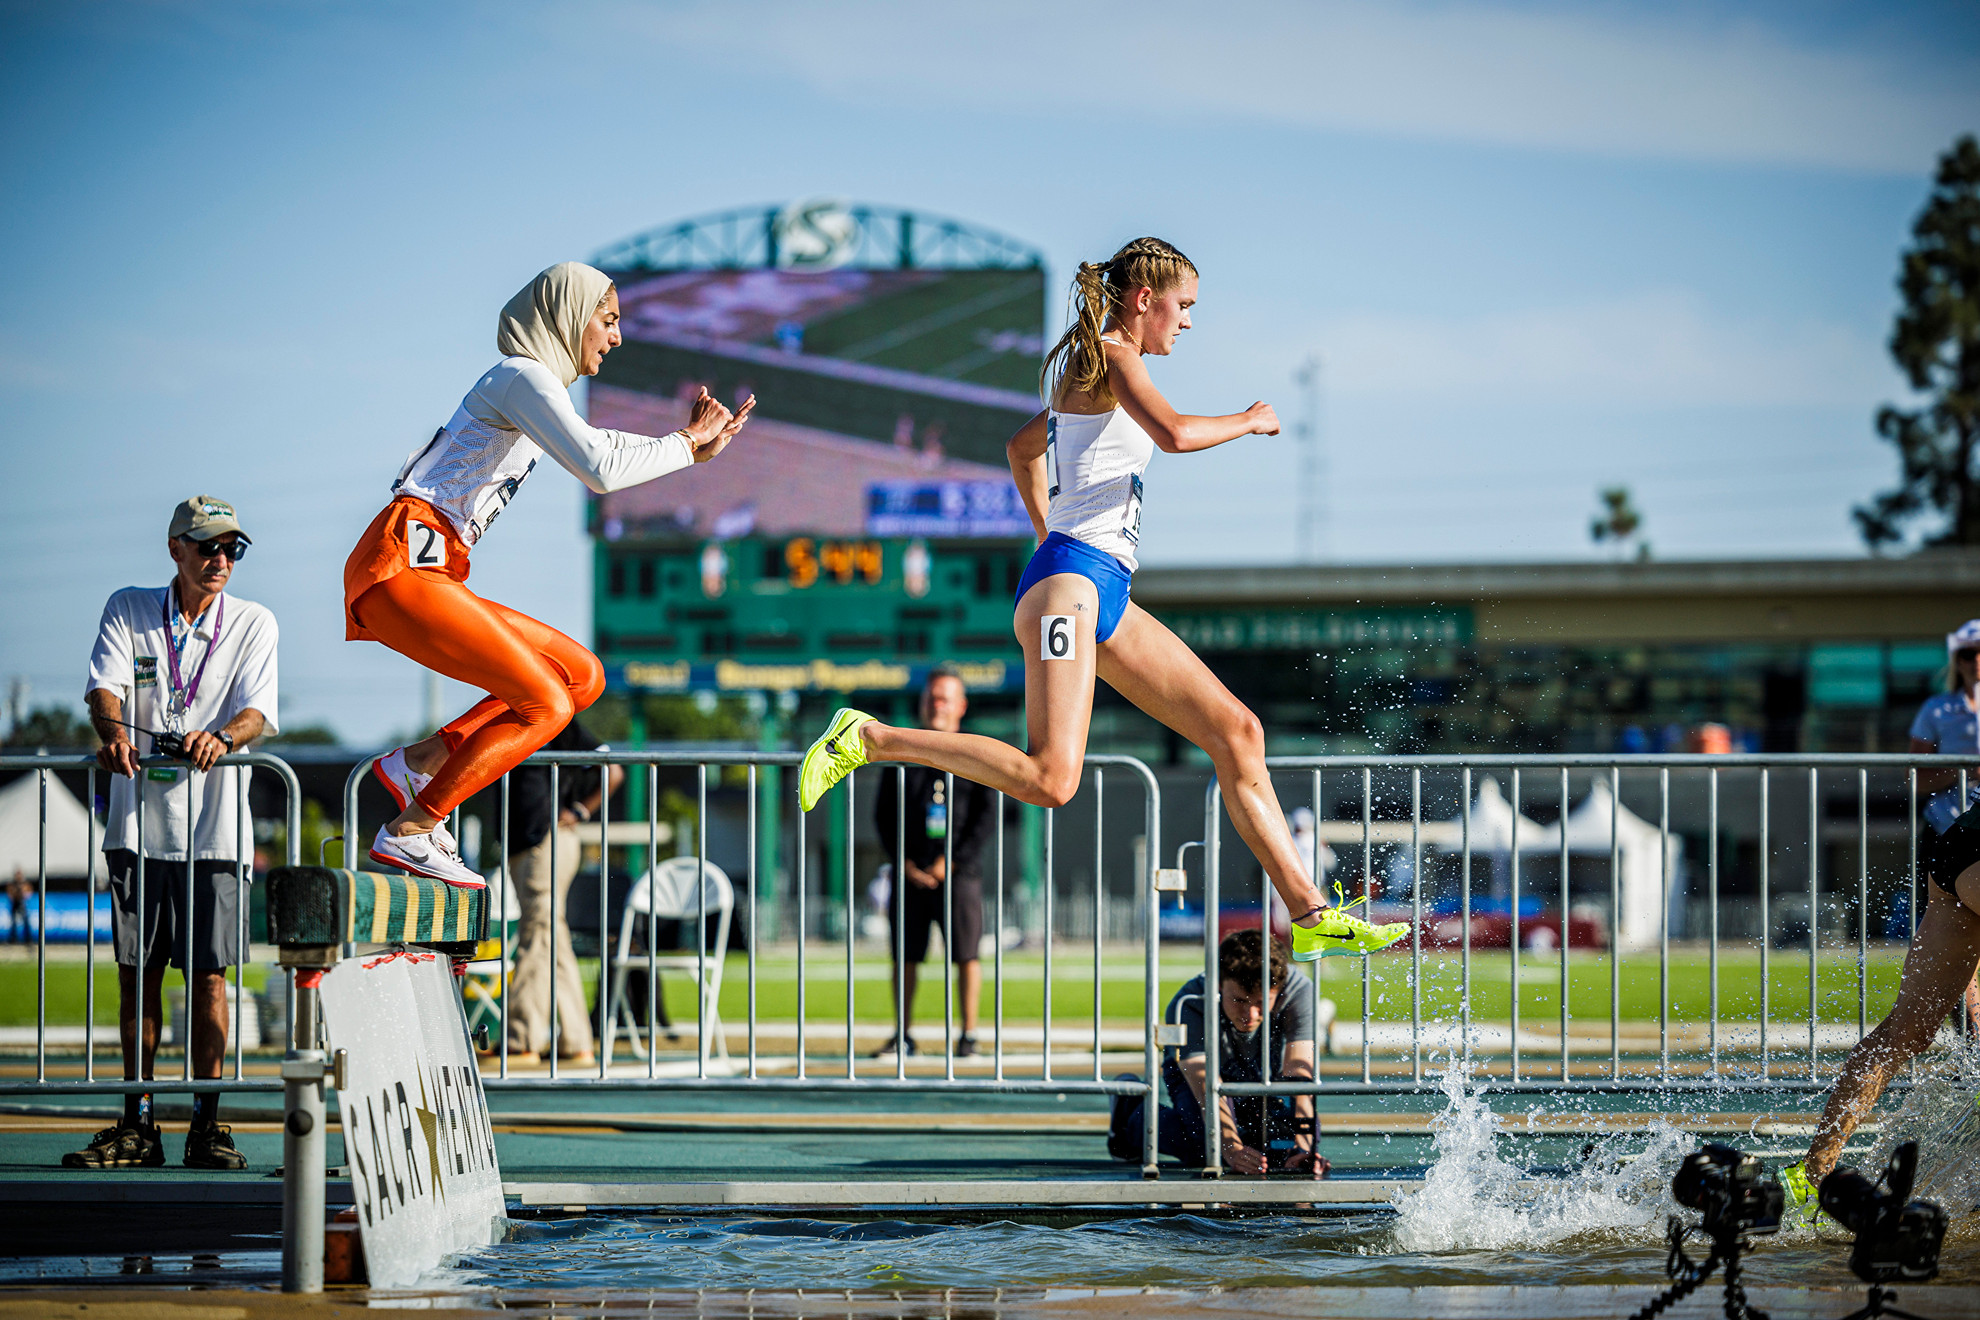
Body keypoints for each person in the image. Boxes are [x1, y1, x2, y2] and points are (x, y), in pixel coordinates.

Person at [798, 237, 1404, 962]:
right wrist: (1248, 419)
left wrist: (1048, 535)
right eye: (1184, 307)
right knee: (1053, 778)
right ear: (1144, 299)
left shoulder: (1099, 369)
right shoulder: (1115, 359)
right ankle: (868, 738)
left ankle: (1307, 910)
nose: (1188, 323)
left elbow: (1021, 450)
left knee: (1238, 731)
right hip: (1073, 586)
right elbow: (1175, 435)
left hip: (1097, 586)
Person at [351, 262, 753, 889]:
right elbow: (600, 465)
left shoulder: (533, 387)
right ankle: (412, 828)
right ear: (567, 315)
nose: (617, 337)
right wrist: (682, 442)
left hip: (432, 566)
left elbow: (602, 450)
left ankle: (422, 762)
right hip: (402, 563)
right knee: (546, 703)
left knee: (582, 676)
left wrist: (689, 451)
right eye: (609, 319)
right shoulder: (521, 376)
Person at [67, 496, 278, 1170]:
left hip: (216, 830)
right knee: (138, 977)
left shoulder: (253, 620)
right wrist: (111, 734)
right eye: (208, 546)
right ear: (175, 548)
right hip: (137, 824)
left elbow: (257, 712)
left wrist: (219, 736)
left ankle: (207, 1125)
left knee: (210, 980)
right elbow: (104, 691)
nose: (221, 560)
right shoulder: (129, 607)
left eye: (232, 549)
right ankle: (139, 1122)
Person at [1785, 621, 1980, 1206]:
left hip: (1957, 853)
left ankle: (1811, 1176)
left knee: (1907, 1031)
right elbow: (1917, 775)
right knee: (1914, 1028)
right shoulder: (1941, 708)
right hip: (1961, 845)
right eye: (1970, 654)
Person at [1108, 930, 1328, 1175]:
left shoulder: (1299, 990)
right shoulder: (1189, 1002)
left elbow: (1299, 1077)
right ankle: (1131, 1111)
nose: (1251, 1015)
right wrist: (1230, 1148)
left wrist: (1302, 1149)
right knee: (1207, 1150)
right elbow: (1205, 1087)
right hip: (1198, 1074)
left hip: (1262, 1070)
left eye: (1260, 1002)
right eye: (1240, 1001)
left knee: (1278, 1148)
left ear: (1278, 989)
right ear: (1220, 983)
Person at [871, 664, 996, 1057]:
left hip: (960, 874)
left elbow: (985, 817)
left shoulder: (975, 752)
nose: (936, 704)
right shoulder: (903, 752)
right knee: (904, 955)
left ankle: (968, 1036)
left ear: (961, 705)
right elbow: (882, 815)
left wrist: (952, 862)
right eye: (931, 697)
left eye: (944, 697)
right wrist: (904, 862)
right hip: (910, 874)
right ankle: (903, 1034)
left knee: (967, 954)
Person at [501, 718, 622, 1065]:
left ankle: (521, 1039)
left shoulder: (554, 715)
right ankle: (576, 1040)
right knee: (552, 937)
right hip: (529, 843)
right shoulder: (514, 714)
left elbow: (612, 770)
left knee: (536, 934)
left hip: (546, 840)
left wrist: (581, 810)